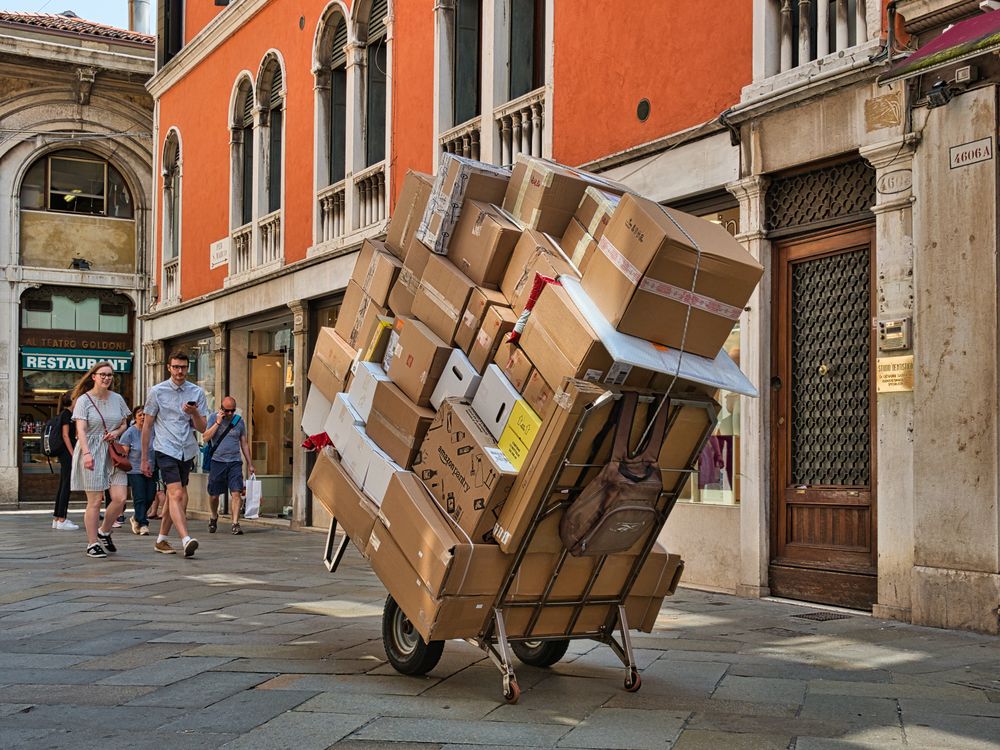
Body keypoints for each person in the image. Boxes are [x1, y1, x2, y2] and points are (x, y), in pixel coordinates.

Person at [141, 351, 207, 557]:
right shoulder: (157, 391)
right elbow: (147, 426)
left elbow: (203, 428)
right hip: (165, 448)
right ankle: (186, 539)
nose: (180, 371)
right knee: (177, 494)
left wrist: (194, 412)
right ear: (169, 367)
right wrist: (144, 458)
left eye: (183, 367)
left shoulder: (197, 392)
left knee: (176, 498)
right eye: (176, 367)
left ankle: (161, 539)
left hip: (187, 449)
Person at [70, 362, 130, 558]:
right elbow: (81, 429)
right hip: (92, 450)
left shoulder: (117, 398)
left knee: (120, 498)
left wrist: (116, 432)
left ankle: (103, 531)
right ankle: (92, 543)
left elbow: (124, 423)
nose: (106, 378)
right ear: (93, 376)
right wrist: (87, 453)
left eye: (110, 375)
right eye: (102, 374)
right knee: (95, 501)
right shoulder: (84, 400)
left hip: (113, 451)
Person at [203, 396, 254, 535]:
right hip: (217, 461)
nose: (230, 413)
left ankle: (235, 523)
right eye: (227, 411)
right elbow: (205, 437)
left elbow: (244, 443)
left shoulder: (239, 421)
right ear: (221, 409)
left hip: (235, 462)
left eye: (232, 410)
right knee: (214, 495)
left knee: (236, 493)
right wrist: (217, 423)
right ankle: (214, 516)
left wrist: (250, 463)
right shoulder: (213, 418)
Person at [120, 405, 155, 535]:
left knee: (150, 496)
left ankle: (136, 517)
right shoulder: (130, 432)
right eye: (140, 415)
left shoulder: (153, 430)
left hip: (151, 468)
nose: (143, 417)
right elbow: (124, 452)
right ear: (135, 417)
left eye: (145, 414)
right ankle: (143, 523)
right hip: (135, 469)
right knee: (140, 497)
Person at [51, 390, 78, 530]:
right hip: (67, 454)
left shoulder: (64, 414)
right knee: (66, 485)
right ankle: (62, 519)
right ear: (72, 399)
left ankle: (57, 518)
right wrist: (73, 454)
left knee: (63, 485)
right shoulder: (67, 414)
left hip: (65, 454)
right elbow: (66, 435)